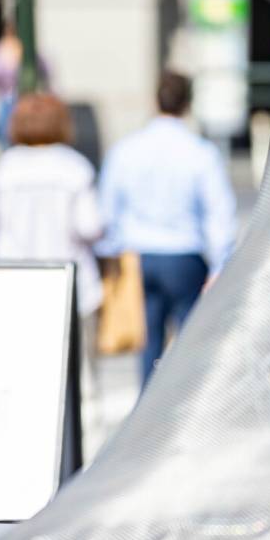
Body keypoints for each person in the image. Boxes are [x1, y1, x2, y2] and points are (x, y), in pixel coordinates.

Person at [98, 71, 236, 388]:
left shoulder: (126, 149)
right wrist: (219, 262)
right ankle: (180, 412)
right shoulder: (200, 152)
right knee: (189, 346)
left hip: (137, 255)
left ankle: (148, 408)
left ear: (153, 101)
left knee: (148, 345)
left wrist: (110, 254)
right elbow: (219, 212)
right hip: (185, 255)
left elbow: (107, 209)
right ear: (187, 104)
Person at [0, 92, 103, 404]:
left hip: (18, 279)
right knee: (81, 374)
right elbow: (91, 227)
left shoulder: (6, 167)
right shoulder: (74, 167)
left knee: (23, 370)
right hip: (72, 281)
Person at [0, 19, 52, 149]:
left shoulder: (31, 52)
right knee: (4, 137)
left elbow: (46, 76)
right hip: (2, 103)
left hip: (25, 102)